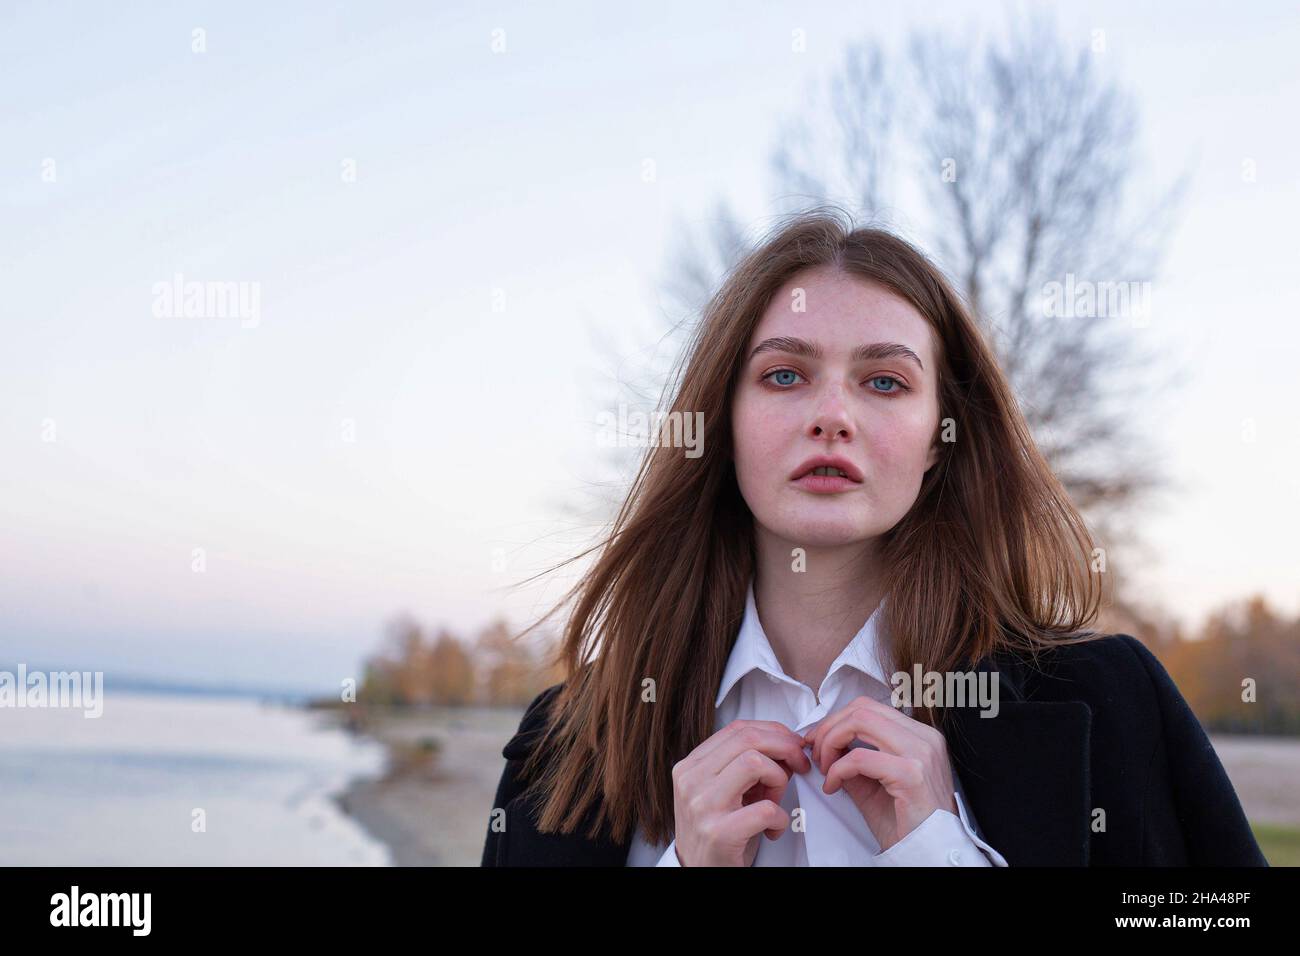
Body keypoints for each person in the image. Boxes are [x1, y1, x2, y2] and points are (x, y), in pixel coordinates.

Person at [480, 207, 1267, 867]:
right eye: (784, 374)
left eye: (884, 380)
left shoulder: (1109, 704)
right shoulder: (568, 744)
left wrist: (937, 853)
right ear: (724, 426)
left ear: (940, 437)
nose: (833, 415)